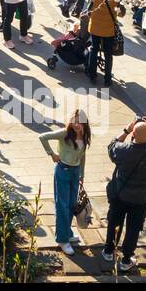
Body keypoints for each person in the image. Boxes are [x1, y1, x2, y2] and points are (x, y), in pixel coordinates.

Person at [103, 117, 146, 271]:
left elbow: (111, 146)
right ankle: (126, 259)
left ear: (133, 135)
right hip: (142, 198)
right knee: (133, 228)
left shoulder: (123, 151)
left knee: (115, 222)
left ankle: (109, 250)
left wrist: (127, 130)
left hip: (121, 194)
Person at [40, 109, 92, 254]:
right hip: (62, 170)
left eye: (80, 122)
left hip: (75, 172)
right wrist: (52, 154)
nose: (76, 125)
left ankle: (67, 233)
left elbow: (83, 156)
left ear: (84, 123)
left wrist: (82, 174)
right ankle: (62, 240)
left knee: (71, 204)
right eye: (74, 121)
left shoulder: (84, 135)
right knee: (62, 205)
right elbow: (42, 137)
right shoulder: (64, 133)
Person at [85, 0, 124, 87]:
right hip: (108, 30)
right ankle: (107, 79)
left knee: (94, 50)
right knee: (108, 54)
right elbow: (121, 14)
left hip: (95, 28)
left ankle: (92, 74)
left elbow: (88, 10)